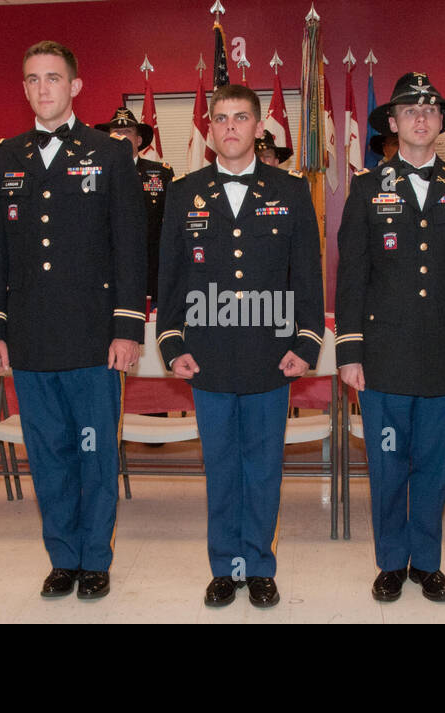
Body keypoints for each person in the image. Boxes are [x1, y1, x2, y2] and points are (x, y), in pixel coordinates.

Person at [0, 41, 146, 600]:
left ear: (75, 86)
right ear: (24, 88)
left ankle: (95, 557)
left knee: (95, 452)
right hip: (29, 335)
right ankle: (62, 557)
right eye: (32, 79)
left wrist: (127, 327)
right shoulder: (5, 156)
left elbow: (129, 246)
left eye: (53, 78)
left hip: (93, 334)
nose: (42, 88)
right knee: (47, 453)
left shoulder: (110, 152)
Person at [157, 83, 323, 608]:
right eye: (221, 118)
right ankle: (226, 567)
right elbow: (171, 276)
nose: (230, 127)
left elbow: (308, 277)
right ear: (208, 129)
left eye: (241, 118)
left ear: (259, 126)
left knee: (264, 464)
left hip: (271, 354)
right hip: (204, 353)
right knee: (221, 465)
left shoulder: (291, 189)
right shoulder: (183, 192)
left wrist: (308, 341)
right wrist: (170, 341)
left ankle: (260, 564)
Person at [336, 72, 445, 602]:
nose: (421, 117)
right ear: (392, 122)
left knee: (435, 464)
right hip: (383, 355)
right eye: (410, 110)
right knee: (387, 464)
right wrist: (349, 352)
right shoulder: (366, 187)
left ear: (441, 123)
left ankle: (426, 561)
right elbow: (351, 276)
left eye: (430, 110)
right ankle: (390, 560)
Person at [95, 106, 173, 306]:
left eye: (127, 132)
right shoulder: (93, 174)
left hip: (150, 276)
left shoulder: (161, 174)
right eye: (116, 133)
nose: (121, 137)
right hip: (108, 277)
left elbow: (172, 230)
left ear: (139, 140)